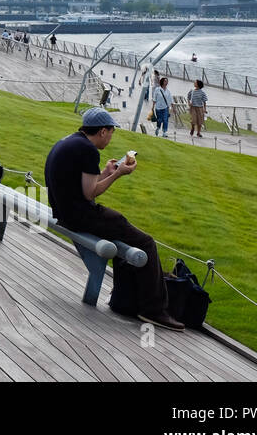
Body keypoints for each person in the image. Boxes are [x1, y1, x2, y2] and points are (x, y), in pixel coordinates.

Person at [44, 108, 184, 330]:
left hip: (63, 212)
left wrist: (106, 172)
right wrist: (118, 174)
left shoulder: (70, 142)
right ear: (102, 131)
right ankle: (154, 310)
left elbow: (82, 186)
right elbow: (90, 194)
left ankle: (125, 297)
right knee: (146, 242)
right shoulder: (89, 150)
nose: (111, 137)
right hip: (79, 216)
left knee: (126, 236)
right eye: (111, 132)